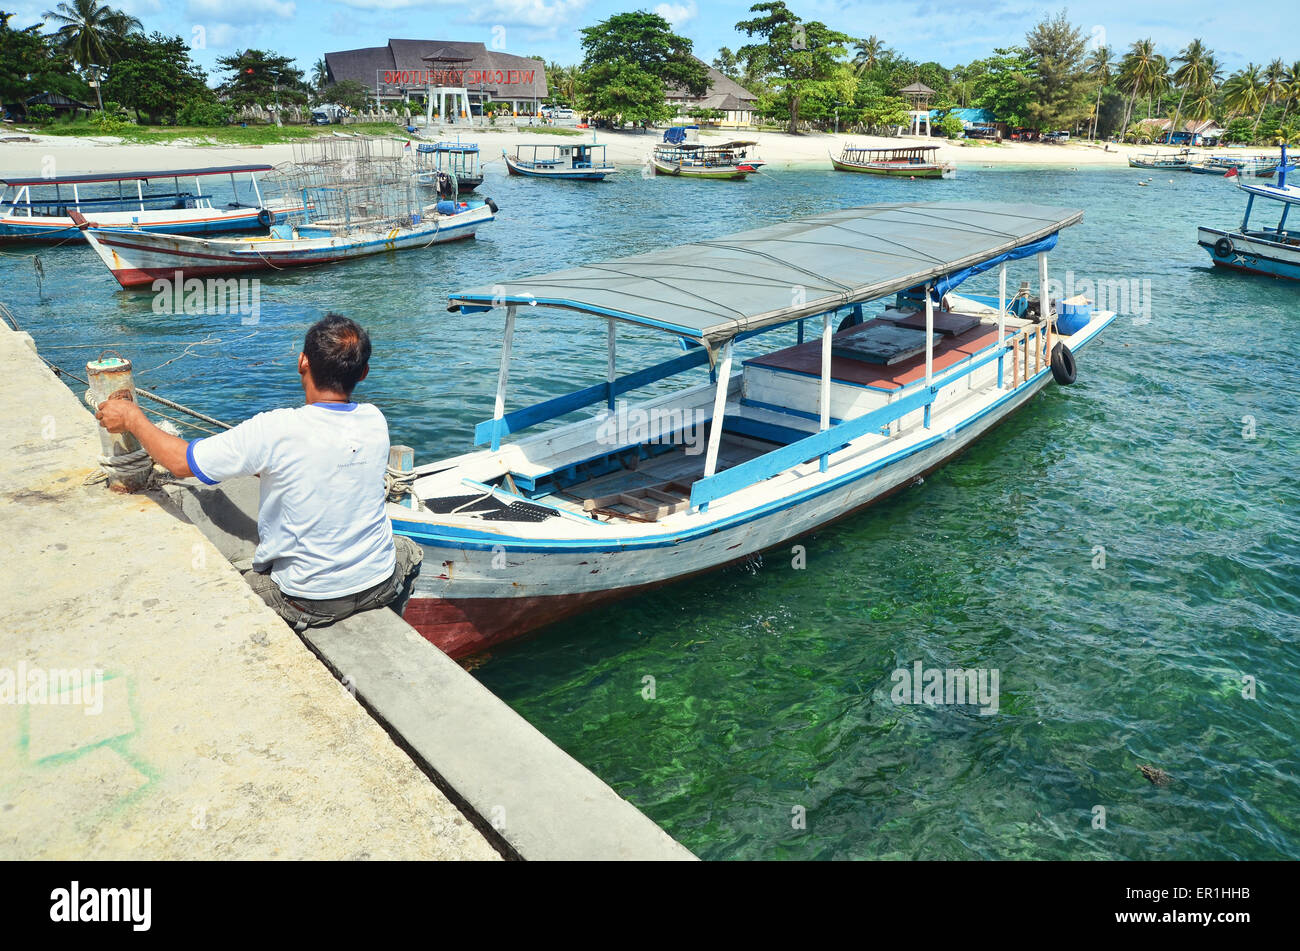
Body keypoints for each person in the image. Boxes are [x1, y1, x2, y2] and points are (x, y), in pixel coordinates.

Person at [95, 313, 421, 631]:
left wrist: (132, 419)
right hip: (381, 584)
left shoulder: (275, 429)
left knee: (226, 590)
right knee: (407, 549)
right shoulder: (374, 419)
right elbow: (316, 463)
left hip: (308, 601)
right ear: (363, 373)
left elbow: (180, 463)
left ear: (302, 362)